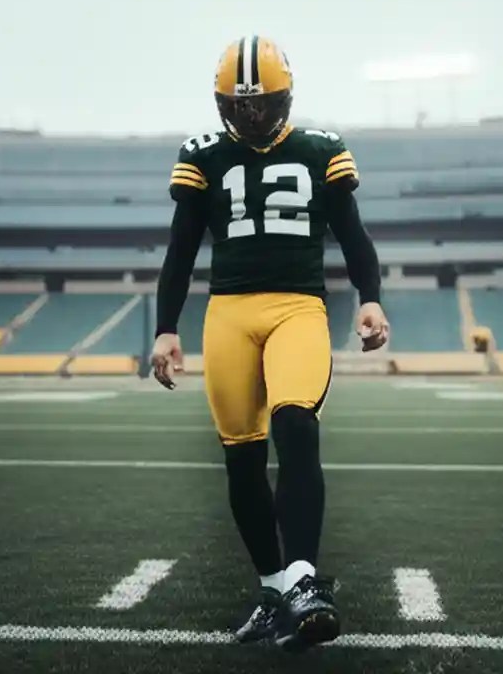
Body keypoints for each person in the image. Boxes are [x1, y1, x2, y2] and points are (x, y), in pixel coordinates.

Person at [151, 35, 389, 652]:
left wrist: (369, 295)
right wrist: (165, 327)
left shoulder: (320, 148)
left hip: (296, 308)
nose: (253, 116)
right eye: (241, 105)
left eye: (263, 104)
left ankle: (306, 579)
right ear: (222, 103)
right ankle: (274, 590)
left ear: (287, 97)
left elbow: (352, 233)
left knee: (295, 422)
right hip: (227, 313)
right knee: (241, 456)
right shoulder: (202, 155)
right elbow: (181, 248)